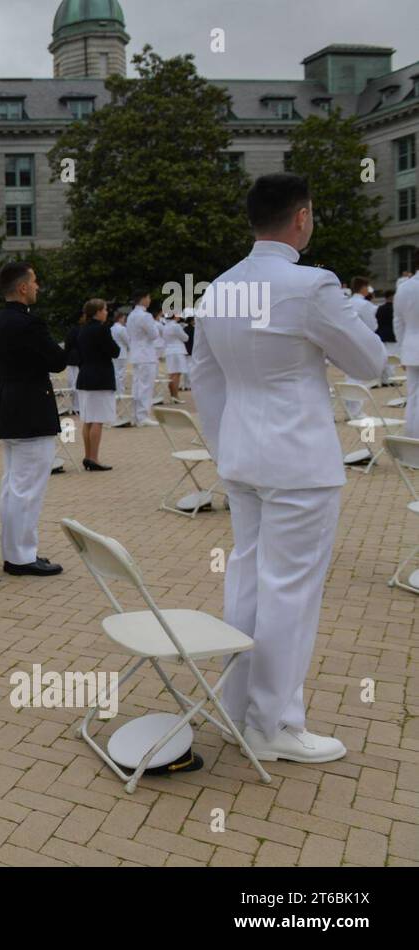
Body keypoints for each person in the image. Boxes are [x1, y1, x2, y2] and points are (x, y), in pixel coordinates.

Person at [191, 172, 387, 764]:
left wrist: (226, 444)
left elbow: (205, 376)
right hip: (298, 459)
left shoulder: (219, 286)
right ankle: (272, 723)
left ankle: (243, 705)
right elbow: (371, 363)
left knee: (249, 579)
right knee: (291, 593)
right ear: (301, 217)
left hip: (243, 454)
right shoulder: (311, 283)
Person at [0, 262, 66, 576]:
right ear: (22, 287)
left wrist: (1, 406)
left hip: (11, 411)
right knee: (27, 489)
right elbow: (57, 361)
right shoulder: (28, 324)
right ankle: (20, 557)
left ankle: (17, 551)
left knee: (13, 486)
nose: (37, 287)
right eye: (34, 282)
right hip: (32, 412)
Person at [74, 298, 118, 471]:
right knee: (98, 420)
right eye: (105, 309)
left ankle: (88, 455)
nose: (106, 312)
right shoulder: (102, 329)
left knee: (88, 420)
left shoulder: (82, 330)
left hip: (85, 376)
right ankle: (94, 458)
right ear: (98, 311)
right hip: (100, 378)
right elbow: (115, 351)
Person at [342, 277, 378, 419]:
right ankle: (356, 412)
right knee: (359, 379)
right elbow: (373, 326)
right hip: (362, 343)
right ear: (363, 287)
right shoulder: (365, 305)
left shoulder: (347, 302)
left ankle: (351, 410)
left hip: (347, 342)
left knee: (350, 376)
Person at [126, 292, 158, 426]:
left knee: (137, 386)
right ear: (143, 298)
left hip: (136, 354)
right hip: (146, 354)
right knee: (146, 386)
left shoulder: (131, 315)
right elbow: (154, 335)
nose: (149, 300)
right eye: (148, 297)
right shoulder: (145, 316)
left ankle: (136, 415)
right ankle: (143, 416)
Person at [396, 273, 419, 438]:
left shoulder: (404, 287)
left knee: (413, 396)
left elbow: (398, 322)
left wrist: (401, 350)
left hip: (411, 347)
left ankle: (412, 438)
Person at [162, 313, 189, 403]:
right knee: (177, 374)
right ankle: (175, 396)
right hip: (177, 350)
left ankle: (173, 395)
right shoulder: (176, 326)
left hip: (169, 350)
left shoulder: (165, 326)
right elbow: (185, 338)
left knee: (172, 374)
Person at [110, 310, 130, 398]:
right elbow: (127, 341)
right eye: (123, 318)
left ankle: (115, 391)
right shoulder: (122, 329)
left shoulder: (111, 328)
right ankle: (120, 392)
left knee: (115, 372)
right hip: (122, 352)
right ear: (120, 318)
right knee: (121, 374)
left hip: (114, 352)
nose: (124, 320)